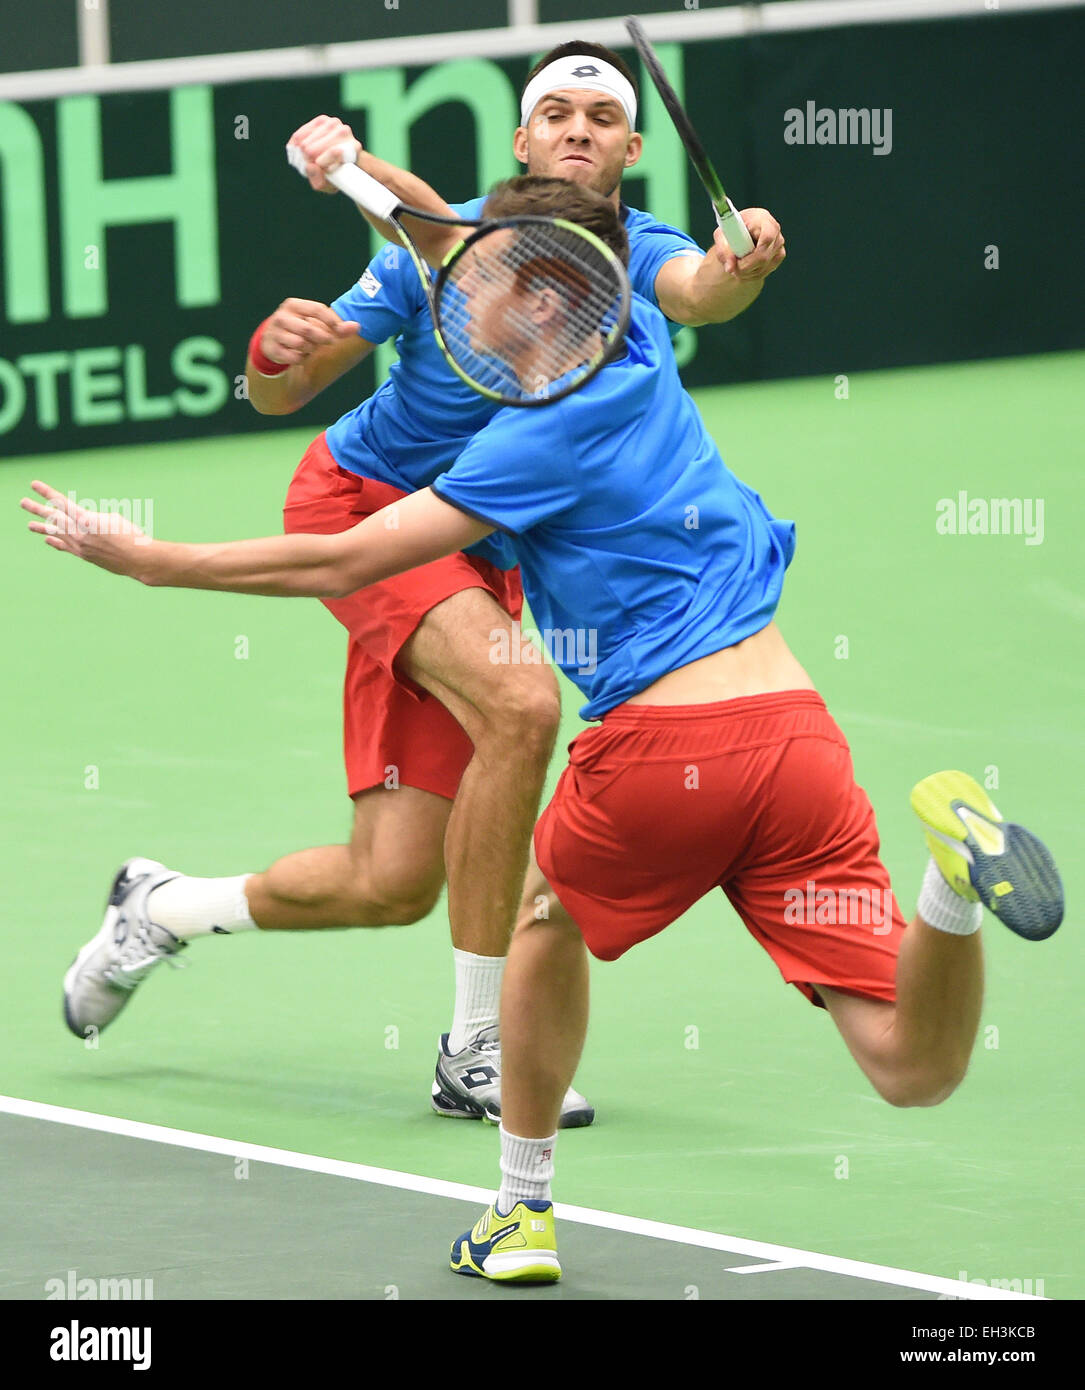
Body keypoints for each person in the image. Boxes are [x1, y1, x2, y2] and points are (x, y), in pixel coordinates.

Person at [23, 173, 1063, 1287]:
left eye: (485, 275)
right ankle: (949, 885)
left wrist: (151, 561)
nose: (457, 290)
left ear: (540, 299)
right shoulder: (642, 353)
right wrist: (357, 172)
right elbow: (460, 241)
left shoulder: (530, 446)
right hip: (799, 743)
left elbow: (344, 558)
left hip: (665, 753)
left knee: (541, 921)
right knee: (910, 1066)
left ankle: (519, 1211)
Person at [53, 42, 786, 1128]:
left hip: (477, 546)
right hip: (362, 506)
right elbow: (284, 389)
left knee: (390, 881)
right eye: (555, 113)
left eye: (599, 118)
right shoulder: (435, 246)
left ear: (632, 150)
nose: (576, 130)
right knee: (521, 704)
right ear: (521, 140)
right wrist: (272, 350)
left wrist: (744, 263)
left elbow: (700, 292)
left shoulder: (638, 253)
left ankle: (162, 908)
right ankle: (477, 1047)